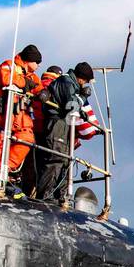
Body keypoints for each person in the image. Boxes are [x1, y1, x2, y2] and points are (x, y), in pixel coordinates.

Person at [0, 45, 44, 190]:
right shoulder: (8, 65)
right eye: (37, 62)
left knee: (26, 139)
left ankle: (4, 169)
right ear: (29, 60)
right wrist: (25, 83)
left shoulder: (31, 75)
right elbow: (7, 79)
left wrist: (44, 93)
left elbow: (38, 87)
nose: (39, 66)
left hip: (15, 118)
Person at [36, 61, 95, 205]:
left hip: (63, 124)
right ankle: (45, 195)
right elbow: (71, 105)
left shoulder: (70, 83)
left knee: (63, 160)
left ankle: (59, 194)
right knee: (55, 158)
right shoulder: (67, 82)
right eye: (85, 81)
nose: (84, 84)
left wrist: (81, 112)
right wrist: (83, 97)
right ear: (81, 78)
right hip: (57, 124)